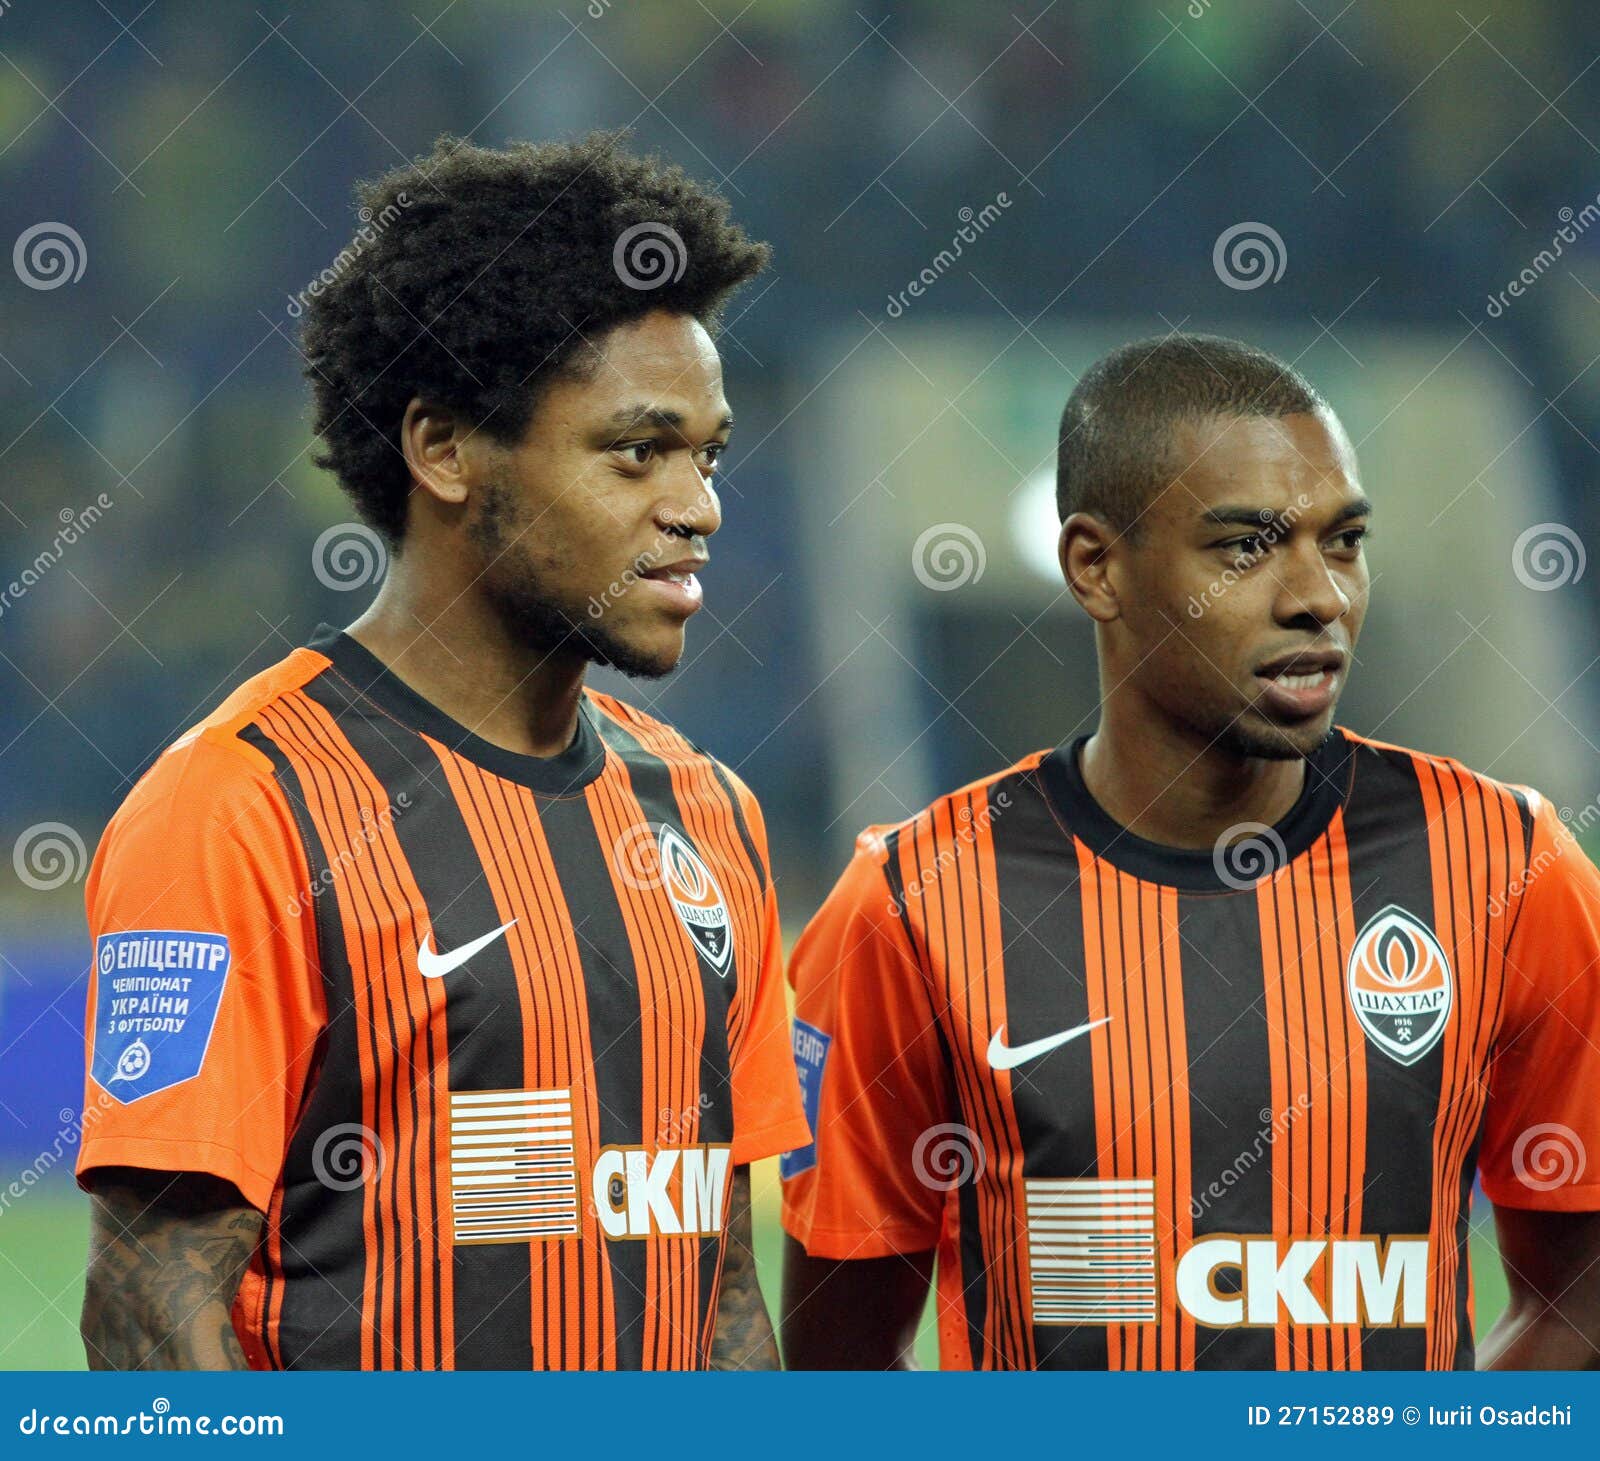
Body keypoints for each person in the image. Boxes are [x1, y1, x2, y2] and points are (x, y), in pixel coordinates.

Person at [76, 132, 809, 1371]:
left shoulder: (708, 814)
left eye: (708, 455)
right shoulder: (242, 806)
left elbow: (722, 1291)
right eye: (637, 452)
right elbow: (150, 1312)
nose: (698, 507)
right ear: (444, 449)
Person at [779, 333, 1600, 1370]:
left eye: (1344, 541)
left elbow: (1582, 1296)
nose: (1319, 596)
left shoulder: (1504, 865)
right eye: (1246, 547)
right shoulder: (911, 903)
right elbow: (838, 1366)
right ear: (1096, 567)